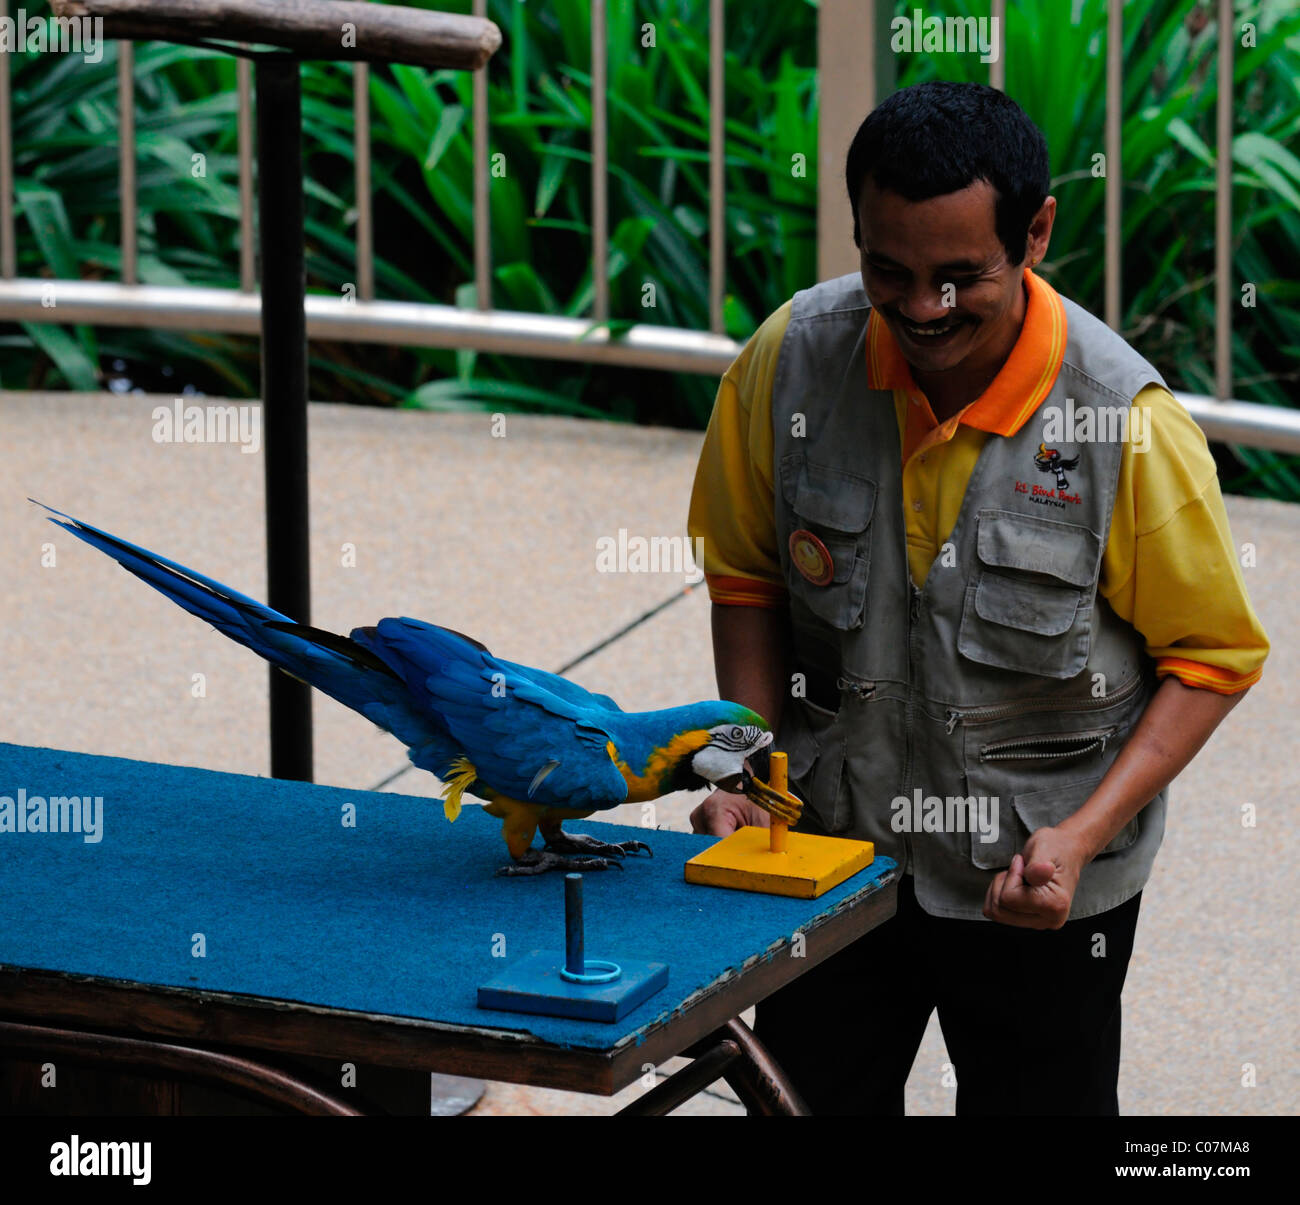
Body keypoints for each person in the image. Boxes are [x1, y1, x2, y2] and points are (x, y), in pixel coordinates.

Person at [686, 81, 1269, 1115]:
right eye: (888, 271)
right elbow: (745, 577)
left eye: (960, 278)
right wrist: (746, 758)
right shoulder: (785, 364)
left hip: (1034, 881)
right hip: (833, 849)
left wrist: (1081, 833)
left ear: (1034, 232)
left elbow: (1211, 659)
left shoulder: (1122, 423)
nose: (922, 309)